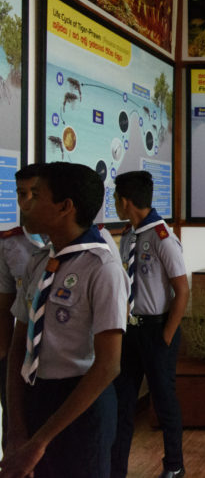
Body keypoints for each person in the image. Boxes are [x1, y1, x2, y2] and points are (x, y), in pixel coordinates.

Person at [1, 162, 128, 477]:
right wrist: (16, 428)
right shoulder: (40, 261)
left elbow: (108, 365)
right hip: (34, 395)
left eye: (36, 195)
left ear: (64, 207)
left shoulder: (102, 268)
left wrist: (39, 441)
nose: (26, 204)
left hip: (81, 406)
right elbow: (20, 344)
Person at [110, 171, 189, 478]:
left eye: (116, 199)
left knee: (164, 401)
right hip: (130, 330)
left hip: (157, 330)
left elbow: (182, 291)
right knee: (122, 401)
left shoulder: (162, 238)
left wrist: (166, 337)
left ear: (125, 201)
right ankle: (116, 468)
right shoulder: (129, 235)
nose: (115, 205)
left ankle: (174, 466)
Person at [0, 165, 47, 450]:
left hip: (58, 356)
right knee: (16, 433)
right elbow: (4, 303)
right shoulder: (10, 244)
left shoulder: (70, 241)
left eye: (34, 193)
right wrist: (5, 359)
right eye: (21, 193)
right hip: (20, 350)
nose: (26, 200)